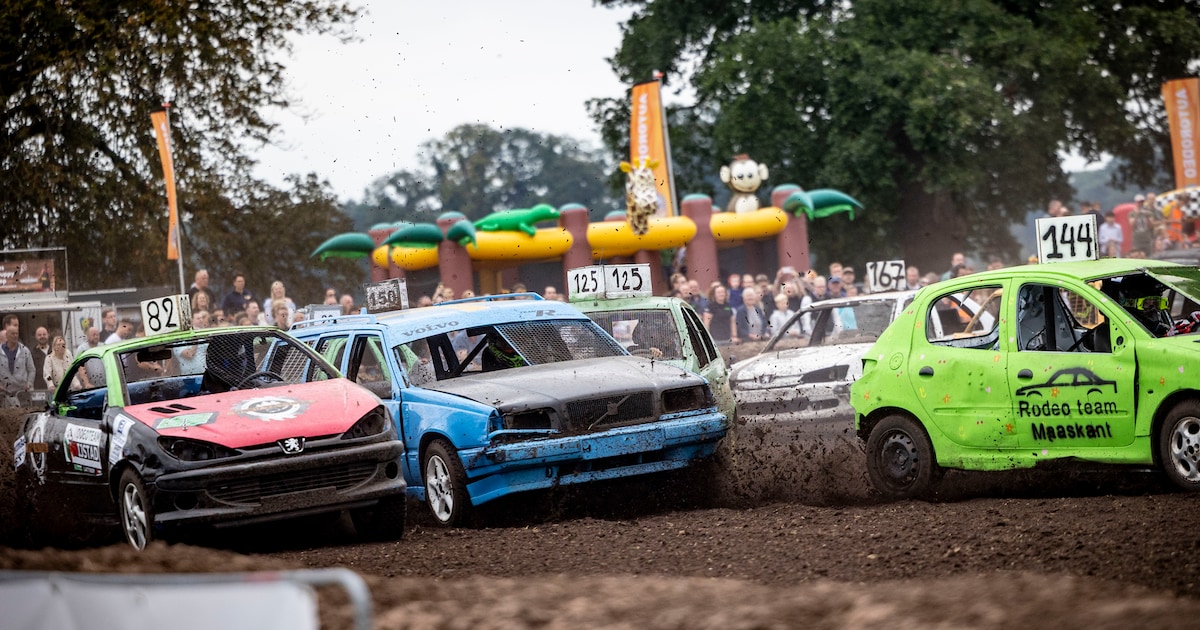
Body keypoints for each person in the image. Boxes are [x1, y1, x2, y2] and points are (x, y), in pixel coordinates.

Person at [0, 315, 35, 407]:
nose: (15, 336)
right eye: (12, 334)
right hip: (4, 394)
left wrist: (29, 383)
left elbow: (31, 369)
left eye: (17, 334)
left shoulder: (25, 351)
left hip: (22, 393)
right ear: (7, 335)